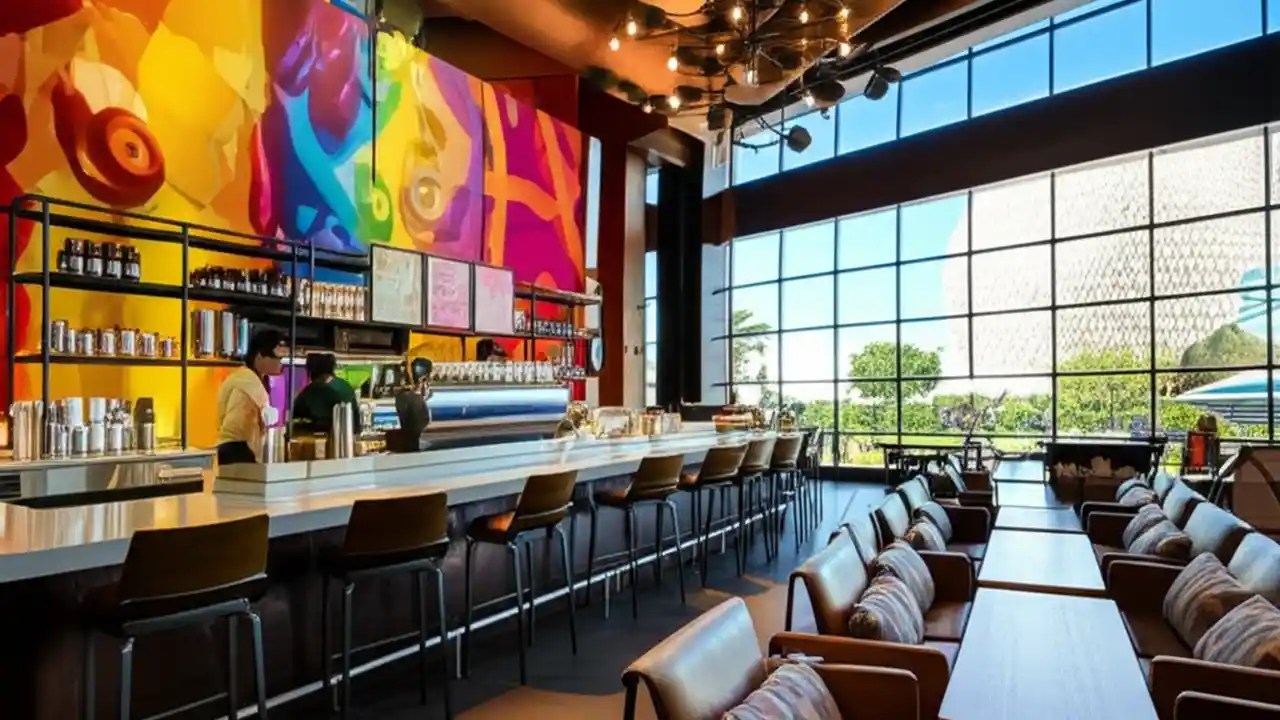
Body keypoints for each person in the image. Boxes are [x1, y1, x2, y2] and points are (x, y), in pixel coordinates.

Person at [216, 328, 288, 464]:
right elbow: (269, 417)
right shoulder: (248, 380)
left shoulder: (242, 376)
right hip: (237, 451)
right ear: (260, 356)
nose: (281, 364)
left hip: (231, 449)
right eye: (278, 358)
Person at [292, 352, 361, 434]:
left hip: (318, 441)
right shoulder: (345, 387)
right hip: (344, 439)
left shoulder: (310, 392)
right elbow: (356, 425)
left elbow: (296, 420)